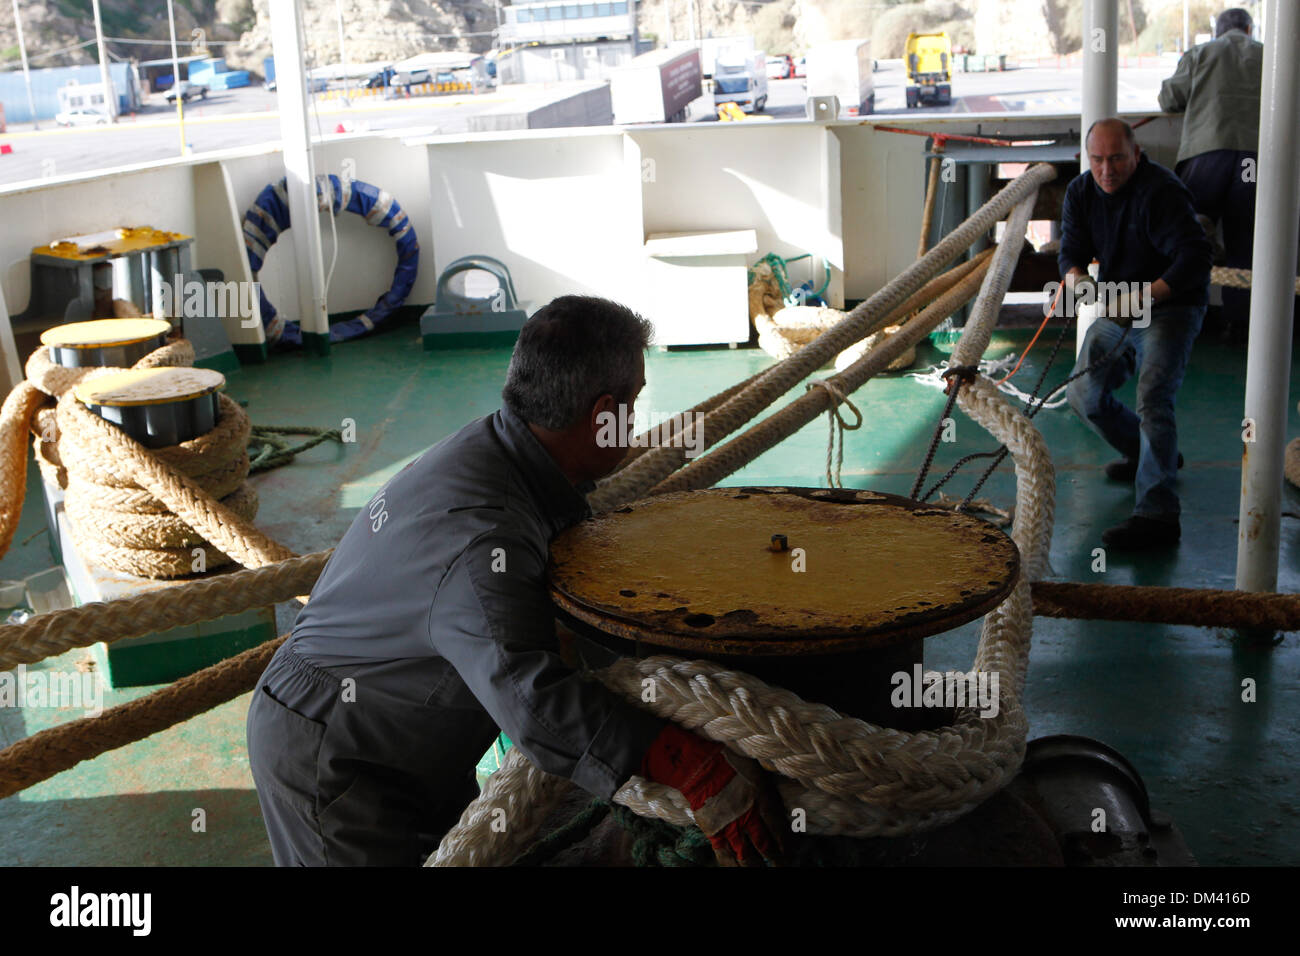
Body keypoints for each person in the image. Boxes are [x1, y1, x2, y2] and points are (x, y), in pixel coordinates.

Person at [246, 295, 786, 866]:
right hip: (339, 753)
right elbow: (535, 703)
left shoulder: (501, 450)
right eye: (636, 401)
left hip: (401, 731)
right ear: (603, 412)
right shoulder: (485, 537)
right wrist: (688, 764)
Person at [1062, 119, 1212, 551]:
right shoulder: (1081, 192)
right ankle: (1146, 454)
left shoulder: (1162, 191)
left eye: (1116, 159)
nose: (1106, 169)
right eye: (1097, 160)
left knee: (1154, 398)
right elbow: (1070, 250)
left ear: (1137, 154)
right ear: (1087, 158)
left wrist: (1146, 297)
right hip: (1119, 305)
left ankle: (1157, 516)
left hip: (1171, 306)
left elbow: (1195, 258)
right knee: (1082, 394)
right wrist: (1075, 280)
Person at [1158, 7, 1262, 342]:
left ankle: (1179, 321)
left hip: (1207, 156)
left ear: (1218, 31)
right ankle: (1240, 326)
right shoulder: (1271, 56)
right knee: (1245, 241)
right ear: (1248, 28)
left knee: (1187, 237)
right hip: (1255, 160)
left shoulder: (1201, 53)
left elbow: (1169, 99)